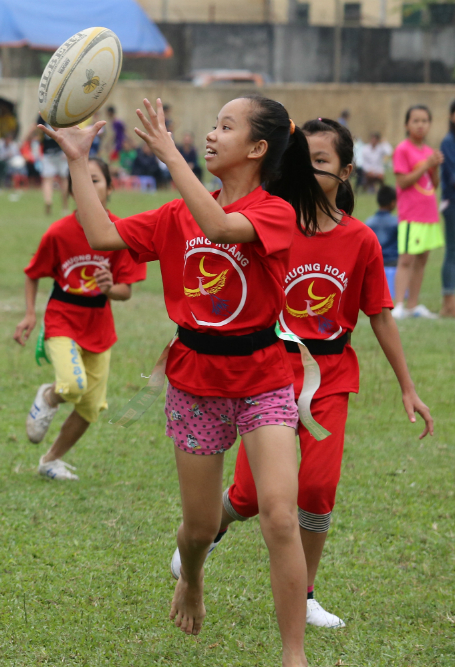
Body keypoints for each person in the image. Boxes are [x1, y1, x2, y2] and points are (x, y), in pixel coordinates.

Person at [44, 96, 337, 666]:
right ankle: (193, 577)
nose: (211, 134)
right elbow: (101, 235)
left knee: (280, 513)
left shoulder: (274, 210)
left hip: (263, 379)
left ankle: (293, 656)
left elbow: (222, 226)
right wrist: (79, 161)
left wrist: (169, 155)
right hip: (194, 382)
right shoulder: (175, 215)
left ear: (256, 149)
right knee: (199, 529)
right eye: (213, 124)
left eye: (226, 126)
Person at [172, 118, 434, 631]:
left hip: (330, 374)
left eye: (322, 162)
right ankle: (202, 534)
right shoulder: (271, 222)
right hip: (268, 370)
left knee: (316, 489)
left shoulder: (359, 239)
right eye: (303, 160)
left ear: (347, 172)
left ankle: (307, 591)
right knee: (249, 497)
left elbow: (379, 312)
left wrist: (407, 386)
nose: (310, 172)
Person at [15, 157, 146, 481]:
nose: (88, 186)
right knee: (72, 385)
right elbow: (33, 273)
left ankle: (50, 460)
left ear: (110, 188)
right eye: (81, 181)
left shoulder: (120, 233)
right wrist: (31, 314)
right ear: (73, 190)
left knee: (89, 407)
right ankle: (49, 395)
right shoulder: (59, 232)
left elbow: (126, 291)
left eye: (96, 180)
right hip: (62, 319)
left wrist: (109, 287)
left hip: (100, 325)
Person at [392, 105, 444, 319]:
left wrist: (435, 167)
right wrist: (426, 166)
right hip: (411, 214)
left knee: (422, 260)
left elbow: (435, 184)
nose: (421, 125)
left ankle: (413, 306)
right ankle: (397, 306)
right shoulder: (403, 149)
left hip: (429, 215)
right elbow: (403, 181)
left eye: (424, 120)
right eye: (416, 121)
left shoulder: (429, 152)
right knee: (406, 260)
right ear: (406, 124)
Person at [31, 116, 70, 215]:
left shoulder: (43, 114)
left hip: (47, 152)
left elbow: (36, 129)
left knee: (47, 179)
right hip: (62, 150)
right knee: (64, 179)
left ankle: (48, 200)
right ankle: (65, 206)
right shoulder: (62, 112)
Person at [367, 185, 400, 298]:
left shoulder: (368, 223)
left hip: (375, 263)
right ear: (392, 202)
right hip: (393, 262)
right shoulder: (396, 222)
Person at [440, 99, 455, 317]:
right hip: (452, 204)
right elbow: (452, 178)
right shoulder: (448, 142)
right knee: (452, 252)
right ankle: (449, 305)